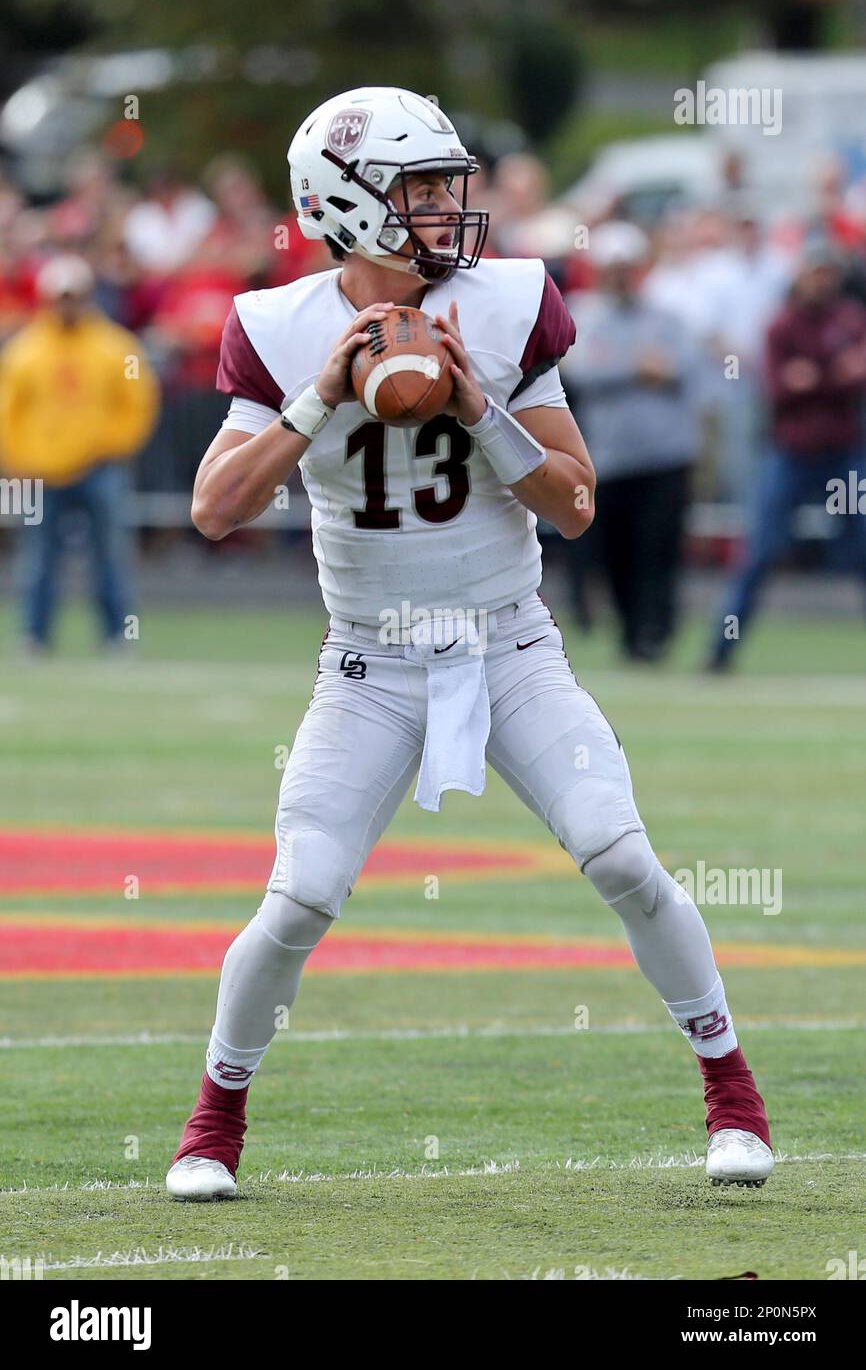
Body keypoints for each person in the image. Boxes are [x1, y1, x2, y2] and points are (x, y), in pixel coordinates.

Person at [165, 87, 773, 1202]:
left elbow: (576, 502)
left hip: (508, 640)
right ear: (344, 206)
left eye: (449, 185)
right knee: (298, 897)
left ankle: (732, 1095)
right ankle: (212, 1125)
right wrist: (319, 397)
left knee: (621, 853)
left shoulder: (504, 303)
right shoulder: (279, 324)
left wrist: (477, 402)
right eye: (421, 189)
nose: (449, 209)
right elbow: (213, 509)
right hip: (368, 660)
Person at [707, 238, 866, 671]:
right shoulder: (781, 326)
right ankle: (720, 649)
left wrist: (814, 380)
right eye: (815, 272)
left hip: (843, 451)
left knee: (862, 548)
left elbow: (854, 379)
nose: (822, 281)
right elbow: (777, 387)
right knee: (760, 550)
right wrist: (832, 378)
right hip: (792, 451)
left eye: (828, 272)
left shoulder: (851, 320)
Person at [0, 254, 159, 652]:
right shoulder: (25, 350)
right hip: (39, 470)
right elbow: (8, 411)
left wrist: (113, 445)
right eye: (61, 297)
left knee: (110, 554)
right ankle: (35, 635)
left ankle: (118, 635)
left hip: (99, 466)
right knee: (37, 558)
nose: (68, 305)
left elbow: (139, 402)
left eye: (75, 296)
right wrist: (15, 459)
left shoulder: (115, 346)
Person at [562, 221, 701, 661]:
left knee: (659, 549)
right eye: (613, 268)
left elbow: (685, 367)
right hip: (611, 456)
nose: (621, 276)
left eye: (628, 267)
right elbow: (580, 371)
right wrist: (637, 368)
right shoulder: (584, 316)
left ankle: (656, 632)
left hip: (665, 453)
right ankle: (630, 630)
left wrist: (623, 368)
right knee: (616, 551)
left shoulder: (668, 317)